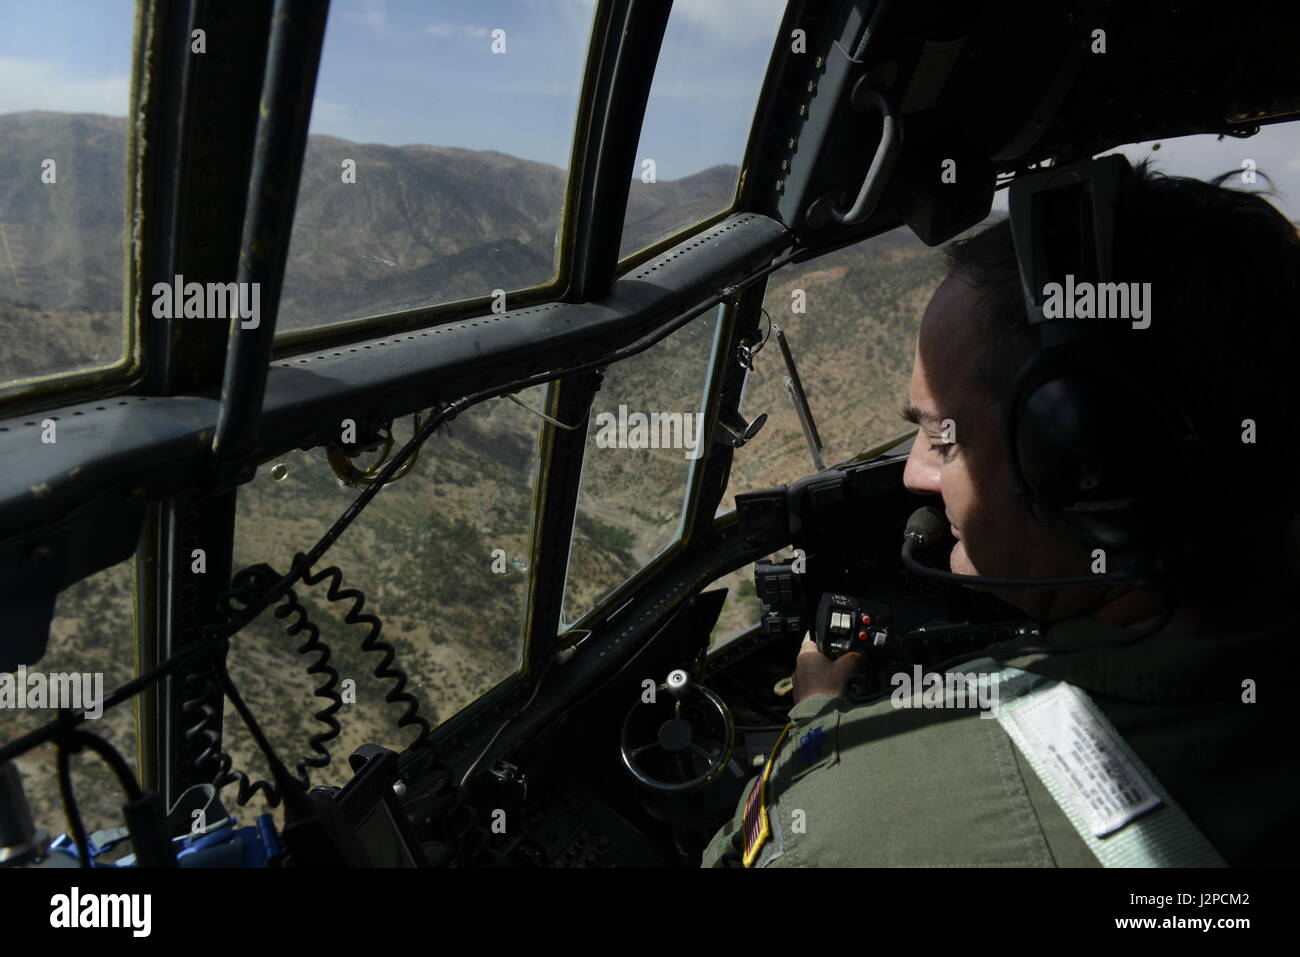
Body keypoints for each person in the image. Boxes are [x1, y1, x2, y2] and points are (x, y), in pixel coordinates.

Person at [701, 160, 1300, 867]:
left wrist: (815, 720)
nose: (916, 474)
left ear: (1086, 460)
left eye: (943, 438)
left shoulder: (859, 813)